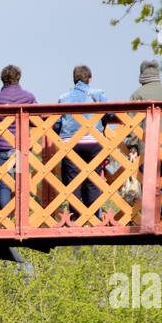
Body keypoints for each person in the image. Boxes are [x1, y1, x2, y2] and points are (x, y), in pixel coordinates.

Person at [57, 65, 110, 216]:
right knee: (94, 178)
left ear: (74, 80)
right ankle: (93, 216)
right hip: (93, 141)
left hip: (71, 143)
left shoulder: (63, 98)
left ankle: (75, 217)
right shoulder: (98, 94)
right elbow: (111, 114)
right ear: (89, 79)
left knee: (74, 182)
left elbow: (57, 124)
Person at [128, 60, 162, 216]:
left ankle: (152, 215)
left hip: (147, 148)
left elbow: (133, 125)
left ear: (141, 75)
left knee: (148, 182)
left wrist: (132, 147)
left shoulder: (138, 94)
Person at [0, 65, 37, 208]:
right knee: (21, 184)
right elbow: (37, 119)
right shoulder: (28, 97)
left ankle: (5, 220)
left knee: (4, 185)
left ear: (3, 79)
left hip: (2, 148)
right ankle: (21, 219)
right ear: (18, 78)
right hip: (20, 149)